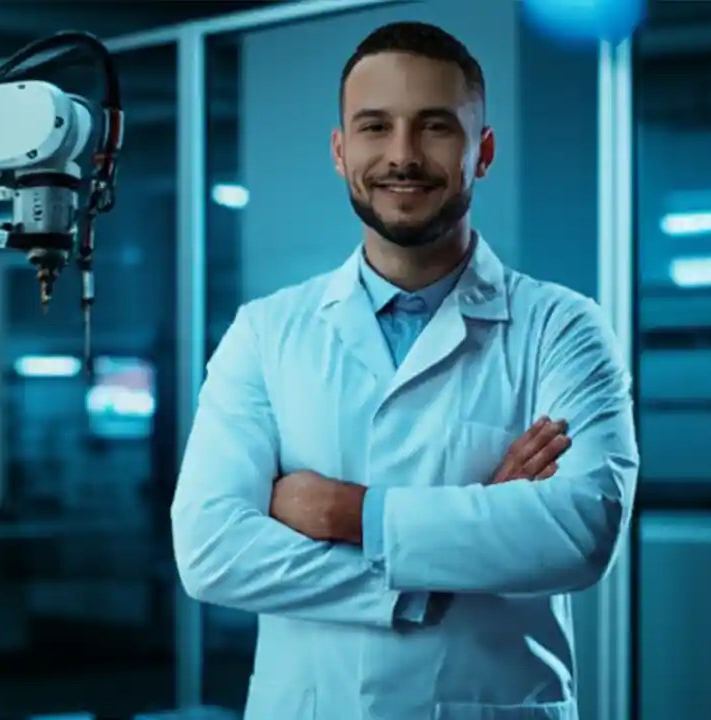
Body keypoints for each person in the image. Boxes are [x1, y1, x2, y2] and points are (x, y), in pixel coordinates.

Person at [170, 19, 639, 720]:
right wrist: (440, 564)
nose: (402, 155)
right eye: (374, 127)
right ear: (339, 151)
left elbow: (576, 532)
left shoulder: (562, 328)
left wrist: (346, 513)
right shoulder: (266, 332)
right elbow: (211, 550)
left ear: (482, 151)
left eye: (435, 127)